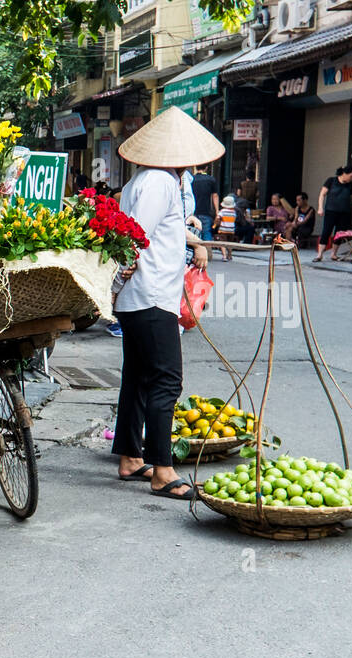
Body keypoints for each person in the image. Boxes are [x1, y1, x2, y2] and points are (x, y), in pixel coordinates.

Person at [111, 107, 222, 501]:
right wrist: (121, 273)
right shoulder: (160, 182)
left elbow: (154, 233)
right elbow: (136, 234)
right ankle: (162, 469)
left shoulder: (145, 179)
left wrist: (196, 244)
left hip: (141, 294)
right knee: (166, 380)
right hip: (150, 294)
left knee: (139, 377)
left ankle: (129, 457)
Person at [314, 166, 352, 262]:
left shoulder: (350, 184)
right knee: (326, 231)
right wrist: (320, 208)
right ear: (345, 173)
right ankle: (320, 255)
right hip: (331, 211)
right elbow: (322, 194)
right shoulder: (331, 181)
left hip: (344, 212)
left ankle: (334, 254)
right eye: (351, 176)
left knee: (339, 233)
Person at [190, 165, 219, 240]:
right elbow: (215, 196)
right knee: (206, 233)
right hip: (205, 211)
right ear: (206, 167)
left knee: (193, 234)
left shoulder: (191, 179)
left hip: (193, 211)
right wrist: (217, 211)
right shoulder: (211, 180)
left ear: (196, 167)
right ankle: (207, 251)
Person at [215, 194, 239, 261]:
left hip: (223, 229)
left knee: (222, 243)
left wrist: (216, 223)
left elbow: (218, 218)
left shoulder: (222, 211)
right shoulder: (234, 212)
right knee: (230, 243)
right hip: (231, 230)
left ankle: (224, 256)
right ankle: (230, 255)